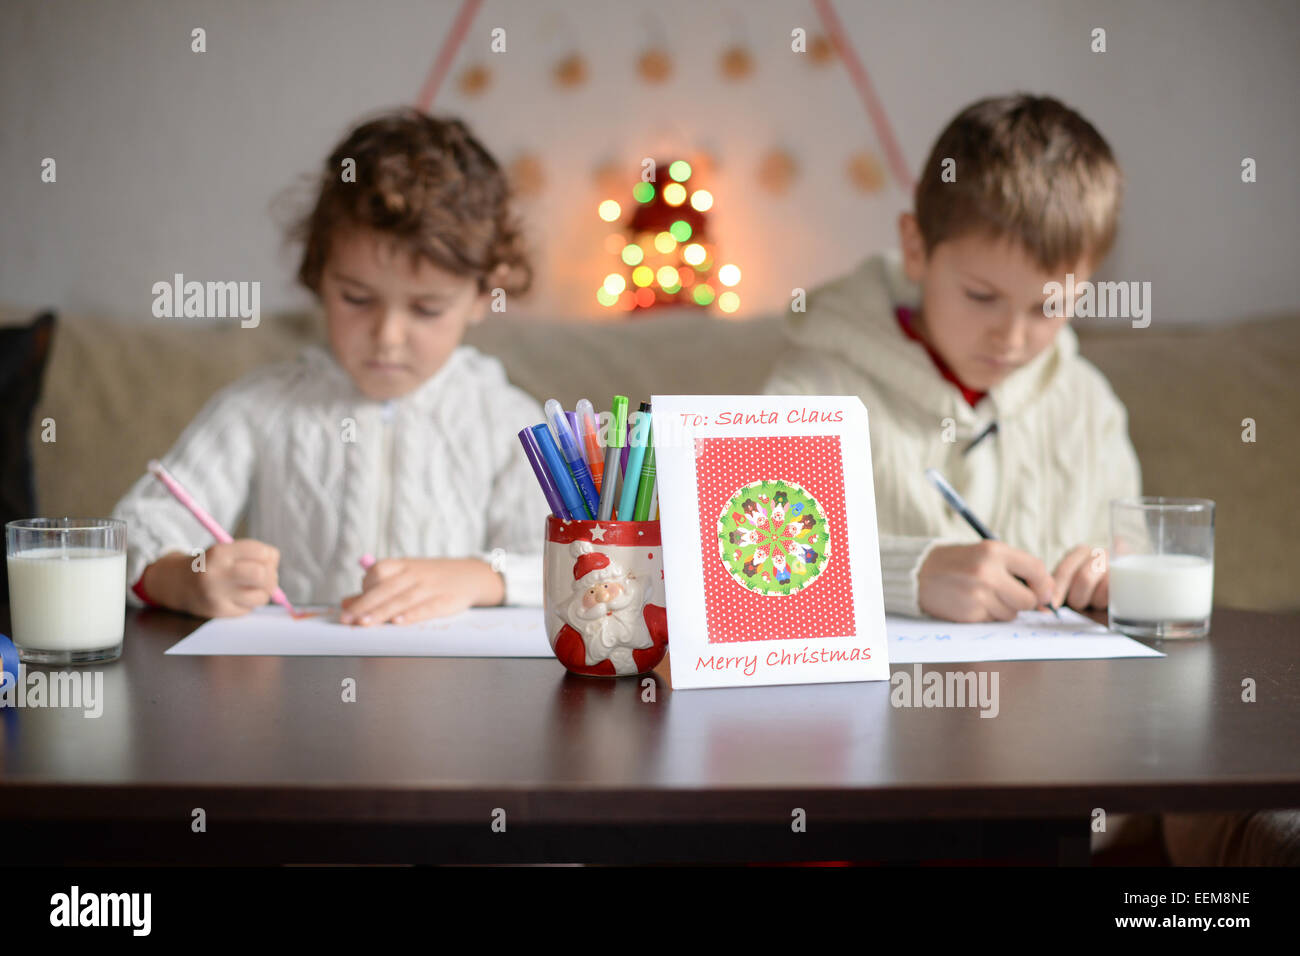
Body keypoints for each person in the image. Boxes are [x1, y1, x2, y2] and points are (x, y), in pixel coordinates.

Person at [764, 92, 1297, 867]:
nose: (1013, 337)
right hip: (878, 784)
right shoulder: (808, 388)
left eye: (1051, 307)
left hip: (1068, 791)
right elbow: (733, 577)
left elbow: (1142, 591)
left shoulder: (1086, 405)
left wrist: (1116, 580)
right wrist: (908, 572)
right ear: (916, 248)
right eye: (981, 296)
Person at [113, 108, 548, 625]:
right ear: (319, 274)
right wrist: (185, 576)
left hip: (450, 696)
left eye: (427, 309)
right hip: (291, 693)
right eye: (357, 298)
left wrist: (479, 577)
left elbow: (577, 568)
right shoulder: (259, 407)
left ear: (483, 296)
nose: (387, 336)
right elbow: (135, 532)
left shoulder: (510, 423)